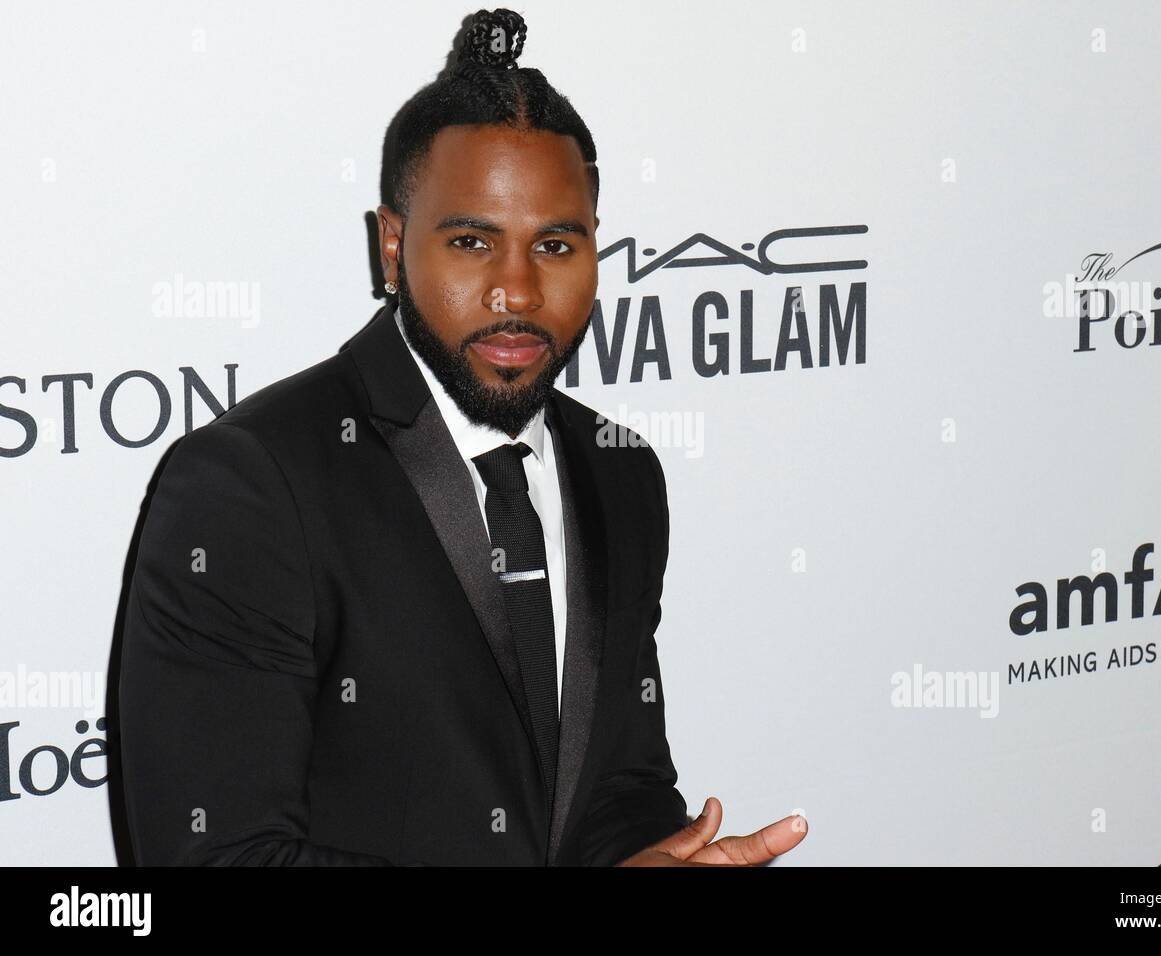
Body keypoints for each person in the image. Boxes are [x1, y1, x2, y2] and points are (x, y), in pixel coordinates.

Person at [118, 6, 806, 866]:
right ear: (393, 246)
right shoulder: (252, 485)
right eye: (473, 242)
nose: (515, 291)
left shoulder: (621, 471)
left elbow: (614, 787)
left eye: (555, 245)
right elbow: (216, 857)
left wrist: (658, 856)